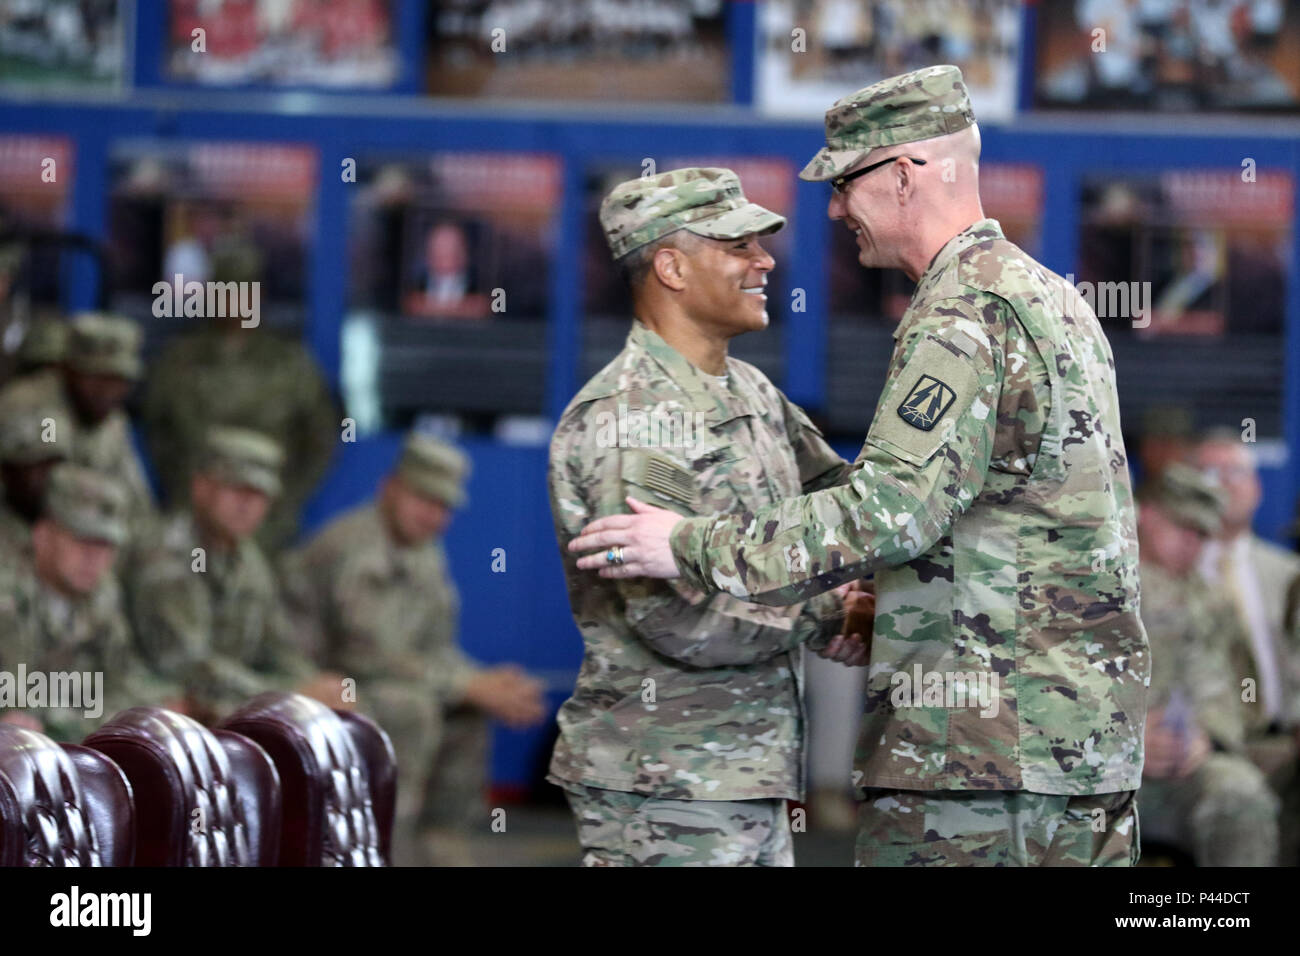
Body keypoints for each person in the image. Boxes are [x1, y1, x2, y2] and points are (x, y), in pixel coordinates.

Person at [568, 65, 1148, 866]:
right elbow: (969, 511)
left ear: (905, 173)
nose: (836, 207)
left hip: (981, 751)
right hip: (1067, 741)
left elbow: (889, 509)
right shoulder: (1051, 297)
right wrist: (852, 609)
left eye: (846, 180)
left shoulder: (964, 312)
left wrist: (691, 545)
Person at [548, 166, 872, 867]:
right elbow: (675, 619)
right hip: (663, 784)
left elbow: (845, 507)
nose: (765, 262)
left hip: (740, 774)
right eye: (738, 246)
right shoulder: (627, 420)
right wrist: (831, 617)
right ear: (670, 266)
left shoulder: (751, 391)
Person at [280, 432, 546, 866]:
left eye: (444, 507)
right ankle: (382, 845)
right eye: (424, 500)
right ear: (391, 488)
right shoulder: (355, 548)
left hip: (371, 683)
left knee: (465, 713)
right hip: (318, 685)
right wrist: (466, 684)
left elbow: (433, 647)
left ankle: (441, 843)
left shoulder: (423, 552)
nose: (434, 516)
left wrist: (487, 684)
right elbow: (367, 655)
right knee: (411, 707)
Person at [1135, 463, 1279, 866]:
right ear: (1145, 513)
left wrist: (1206, 739)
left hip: (1190, 765)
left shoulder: (1211, 601)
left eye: (1202, 533)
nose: (1191, 542)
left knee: (1241, 795)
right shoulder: (1099, 591)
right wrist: (1126, 742)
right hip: (1101, 764)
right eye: (1182, 525)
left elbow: (1234, 689)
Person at [124, 426, 311, 723]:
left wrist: (311, 687)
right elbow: (187, 664)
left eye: (259, 495)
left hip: (230, 703)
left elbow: (279, 648)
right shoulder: (166, 554)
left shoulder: (249, 560)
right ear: (201, 487)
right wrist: (290, 693)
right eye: (236, 489)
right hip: (165, 710)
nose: (246, 505)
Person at [142, 298, 337, 553]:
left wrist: (287, 497)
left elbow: (321, 436)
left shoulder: (288, 362)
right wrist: (183, 485)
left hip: (269, 522)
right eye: (227, 292)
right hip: (193, 512)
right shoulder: (181, 359)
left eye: (245, 293)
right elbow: (158, 428)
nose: (235, 304)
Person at [1190, 428, 1300, 864]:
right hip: (1205, 749)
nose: (1225, 483)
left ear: (1256, 487)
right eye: (1211, 472)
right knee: (1237, 802)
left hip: (1287, 740)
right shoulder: (1165, 576)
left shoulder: (1288, 571)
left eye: (1236, 472)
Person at [0, 465, 167, 740]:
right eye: (82, 541)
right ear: (42, 536)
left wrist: (158, 708)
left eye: (106, 546)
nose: (94, 558)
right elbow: (17, 707)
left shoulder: (103, 593)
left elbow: (118, 679)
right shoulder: (8, 599)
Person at [0, 312, 156, 534]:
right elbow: (34, 495)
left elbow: (139, 506)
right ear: (67, 369)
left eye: (118, 381)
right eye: (97, 378)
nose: (107, 393)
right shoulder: (29, 406)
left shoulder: (113, 421)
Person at [0, 388, 68, 552]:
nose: (51, 476)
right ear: (6, 471)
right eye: (37, 468)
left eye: (54, 464)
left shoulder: (72, 525)